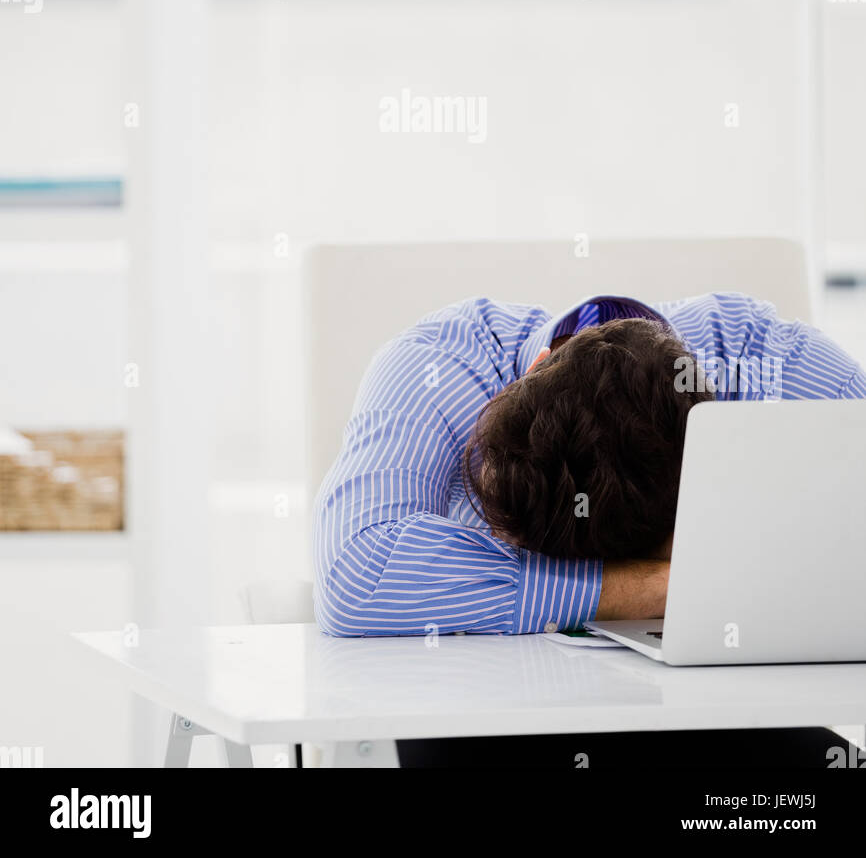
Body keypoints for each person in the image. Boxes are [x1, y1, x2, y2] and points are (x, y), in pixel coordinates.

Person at [313, 291, 866, 767]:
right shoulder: (437, 362)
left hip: (722, 715)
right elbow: (358, 571)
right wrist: (659, 587)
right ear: (531, 370)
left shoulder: (773, 361)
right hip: (496, 717)